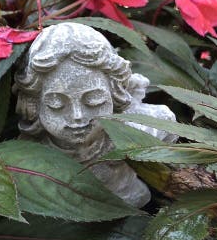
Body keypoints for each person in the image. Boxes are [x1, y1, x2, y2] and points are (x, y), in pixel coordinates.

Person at [15, 22, 174, 207]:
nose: (77, 116)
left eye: (94, 101)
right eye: (57, 104)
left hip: (130, 205)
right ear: (34, 103)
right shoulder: (30, 153)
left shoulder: (127, 133)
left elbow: (167, 122)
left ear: (114, 95)